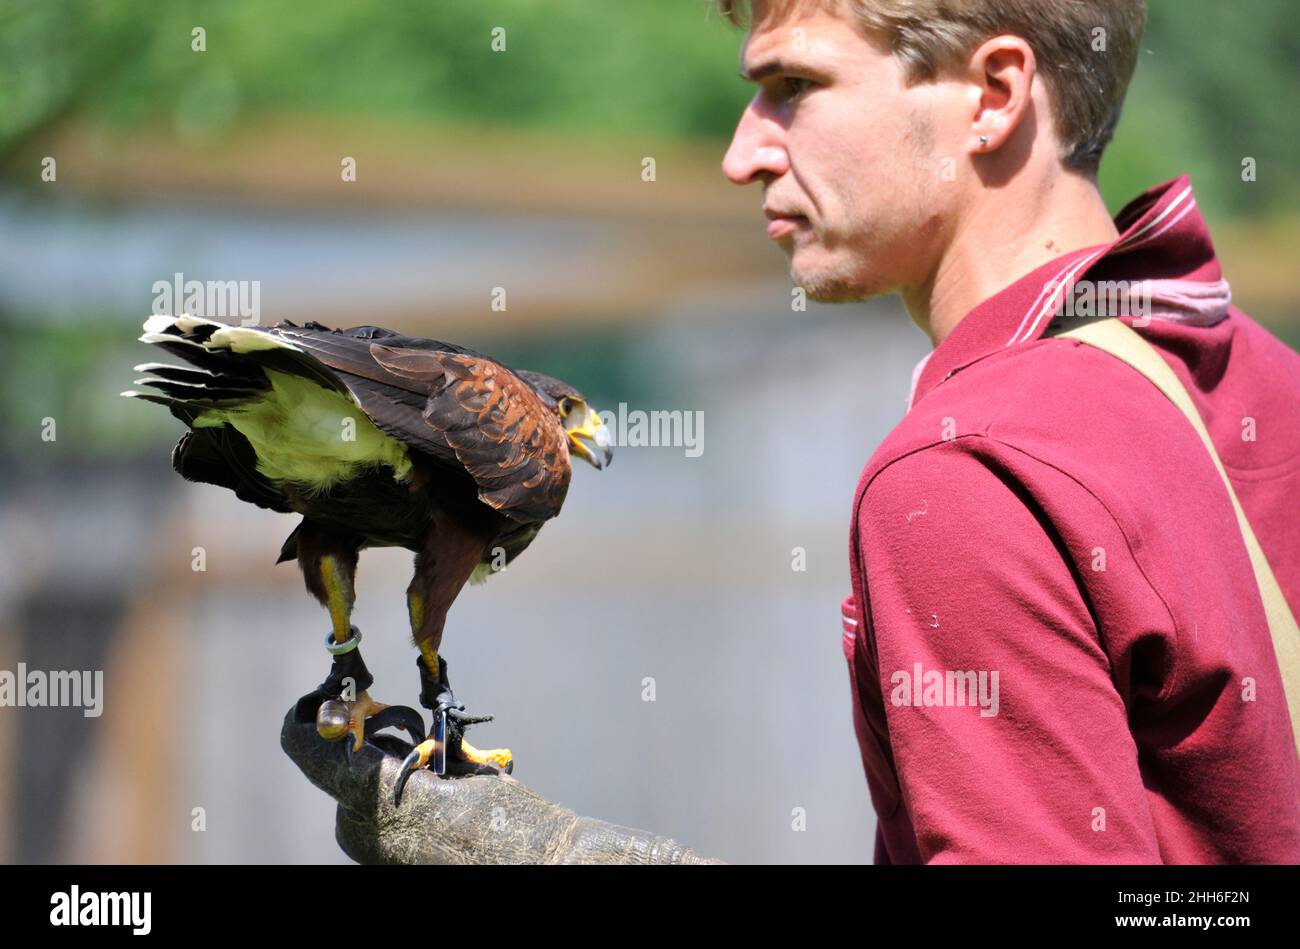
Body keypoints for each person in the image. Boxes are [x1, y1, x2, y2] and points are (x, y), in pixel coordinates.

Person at [285, 0, 1300, 863]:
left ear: (991, 96)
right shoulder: (1261, 381)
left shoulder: (968, 471)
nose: (740, 153)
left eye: (794, 88)